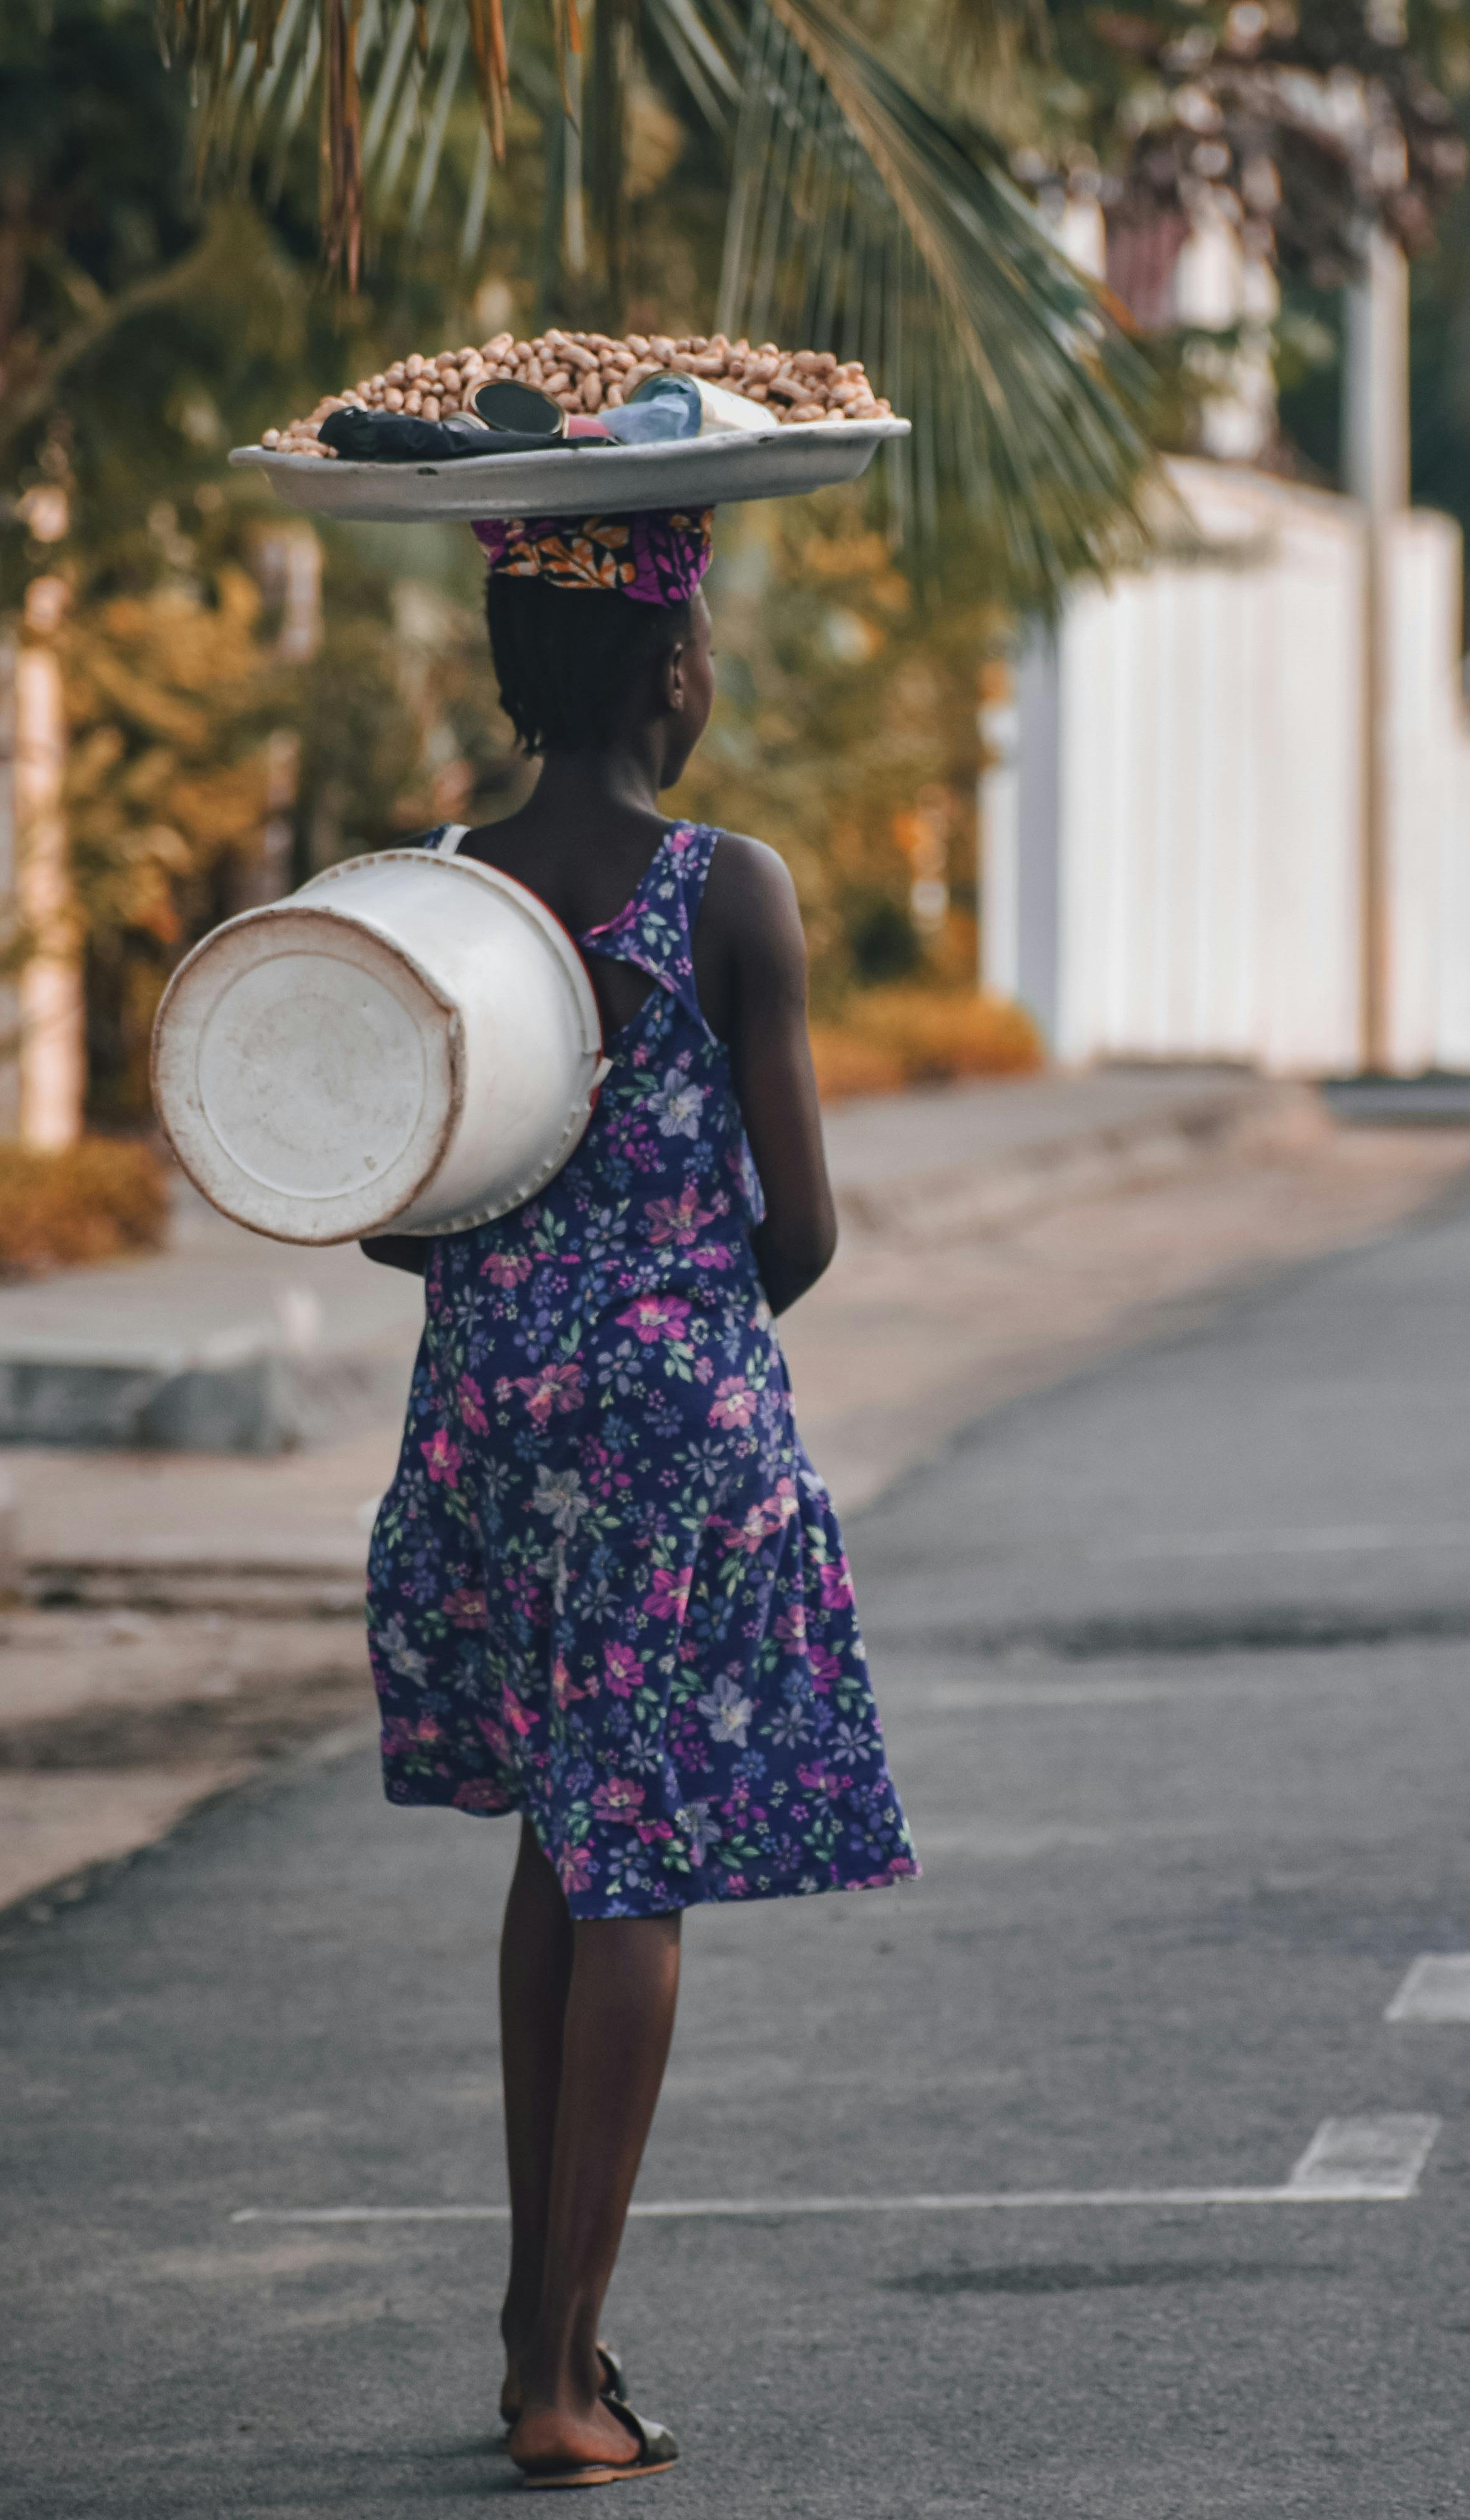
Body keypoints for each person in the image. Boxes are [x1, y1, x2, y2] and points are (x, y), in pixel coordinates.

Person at [356, 503, 916, 2490]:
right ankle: (560, 2377)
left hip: (484, 1428)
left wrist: (526, 1298)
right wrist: (661, 1315)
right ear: (673, 669)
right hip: (672, 1432)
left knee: (558, 1847)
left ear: (514, 677)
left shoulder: (432, 895)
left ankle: (537, 2324)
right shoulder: (723, 890)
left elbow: (389, 1217)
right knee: (637, 1861)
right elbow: (806, 1227)